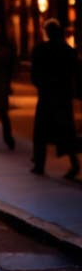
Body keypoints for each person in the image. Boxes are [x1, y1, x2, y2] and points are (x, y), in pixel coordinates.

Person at [30, 19, 80, 179]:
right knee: (65, 132)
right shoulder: (68, 51)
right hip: (62, 96)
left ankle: (39, 165)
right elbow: (74, 72)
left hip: (47, 95)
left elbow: (34, 75)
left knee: (41, 132)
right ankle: (74, 164)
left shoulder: (40, 50)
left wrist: (42, 84)